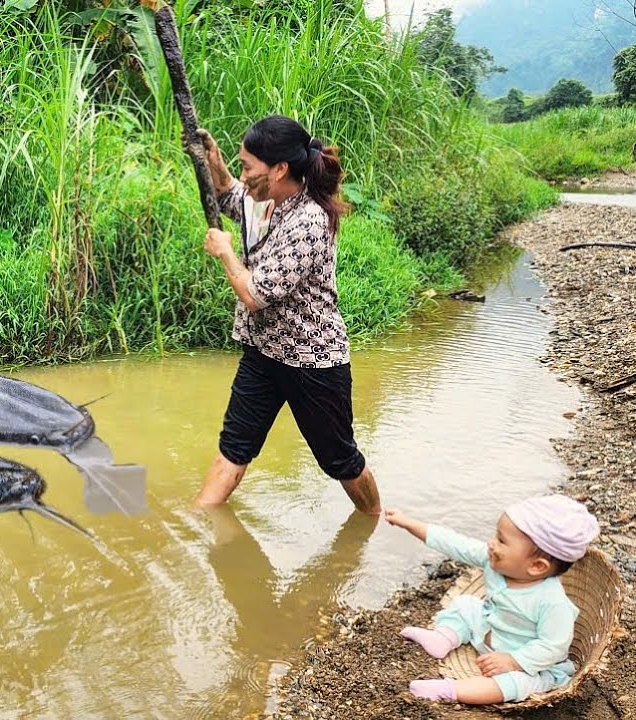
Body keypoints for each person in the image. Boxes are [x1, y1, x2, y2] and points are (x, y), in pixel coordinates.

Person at [191, 115, 380, 514]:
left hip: (311, 362)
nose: (243, 174)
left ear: (279, 170)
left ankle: (374, 520)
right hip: (263, 353)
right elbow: (230, 196)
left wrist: (225, 251)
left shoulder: (309, 220)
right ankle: (199, 522)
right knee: (234, 448)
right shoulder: (267, 202)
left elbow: (256, 295)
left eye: (248, 166)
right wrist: (214, 161)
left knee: (340, 460)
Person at [384, 495, 599, 705]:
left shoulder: (552, 601)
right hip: (489, 632)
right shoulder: (494, 562)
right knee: (465, 604)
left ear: (536, 566)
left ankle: (451, 690)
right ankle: (444, 638)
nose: (491, 544)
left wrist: (513, 661)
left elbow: (554, 647)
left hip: (529, 663)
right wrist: (408, 522)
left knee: (517, 684)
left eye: (501, 541)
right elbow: (455, 544)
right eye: (496, 535)